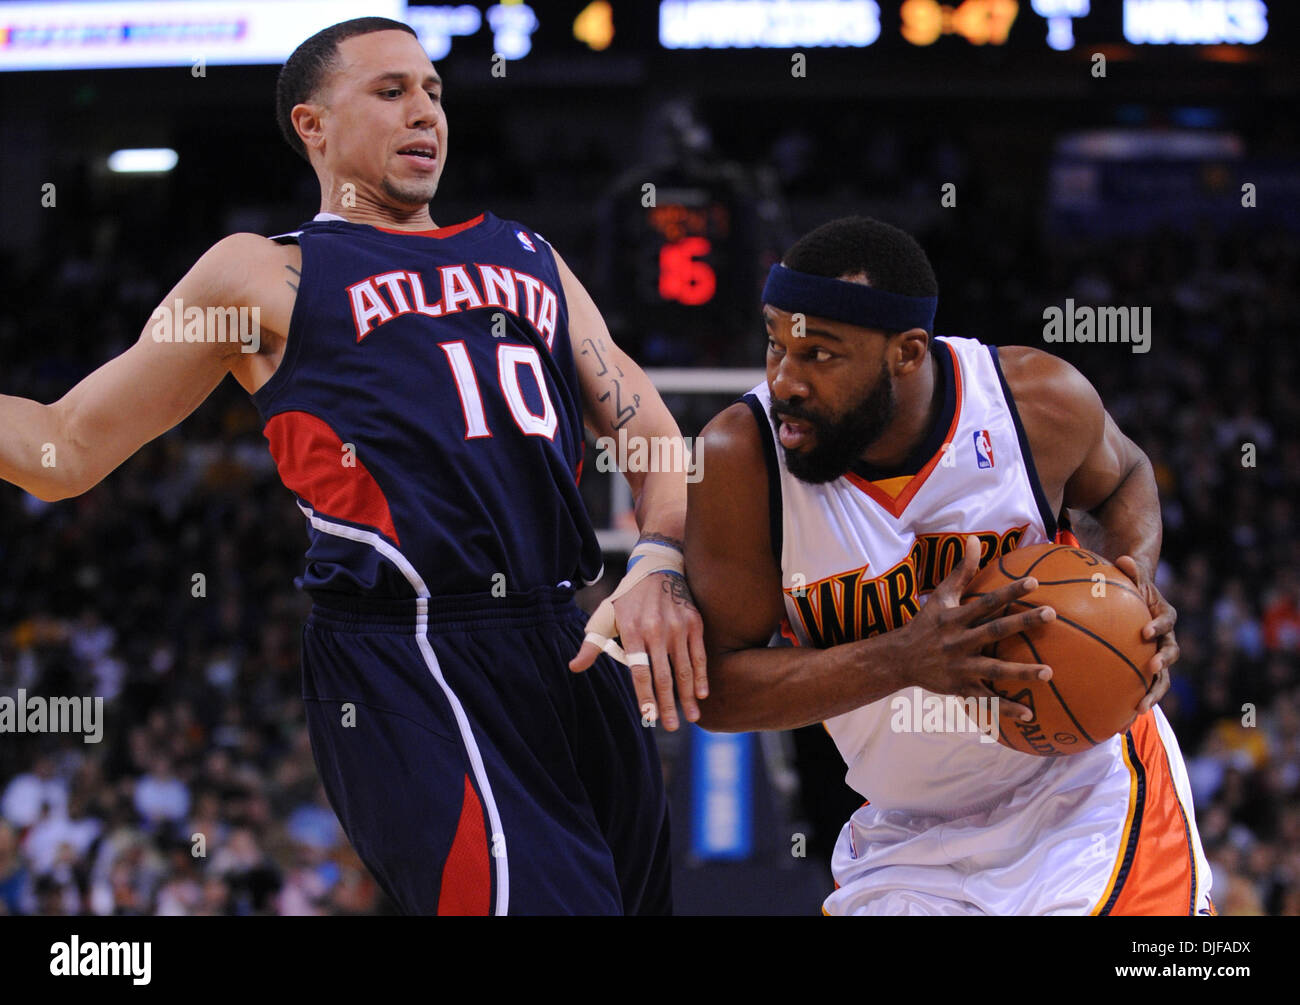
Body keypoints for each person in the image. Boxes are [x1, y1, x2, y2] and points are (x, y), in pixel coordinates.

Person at [0, 17, 708, 915]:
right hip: (410, 650)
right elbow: (62, 448)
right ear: (312, 125)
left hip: (568, 636)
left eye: (434, 92)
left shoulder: (529, 255)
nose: (426, 112)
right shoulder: (262, 275)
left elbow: (647, 430)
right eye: (391, 91)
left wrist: (659, 557)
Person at [686, 216, 1213, 915]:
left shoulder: (1034, 402)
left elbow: (1125, 477)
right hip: (909, 830)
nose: (786, 379)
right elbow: (719, 691)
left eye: (820, 354)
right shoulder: (740, 456)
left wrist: (1130, 583)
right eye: (776, 342)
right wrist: (901, 658)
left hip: (1081, 797)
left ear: (906, 352)